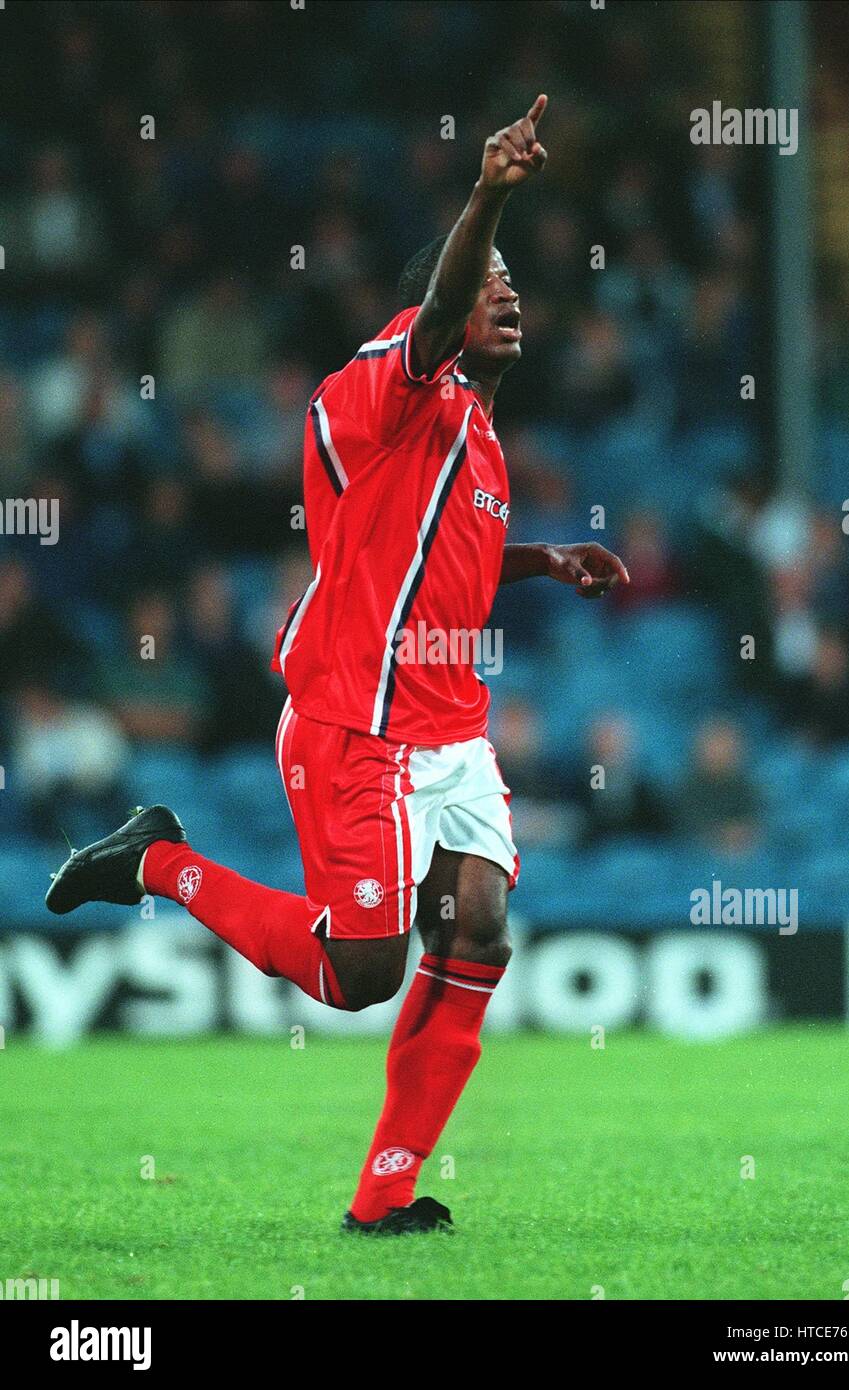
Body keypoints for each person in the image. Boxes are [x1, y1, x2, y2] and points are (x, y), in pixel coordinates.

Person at [46, 95, 629, 1235]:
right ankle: (158, 861)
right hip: (351, 722)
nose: (509, 292)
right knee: (358, 973)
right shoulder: (388, 391)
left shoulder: (482, 438)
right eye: (488, 277)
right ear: (440, 307)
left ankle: (385, 1198)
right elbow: (439, 309)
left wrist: (543, 560)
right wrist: (489, 193)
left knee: (477, 926)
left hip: (450, 730)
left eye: (516, 277)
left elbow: (441, 564)